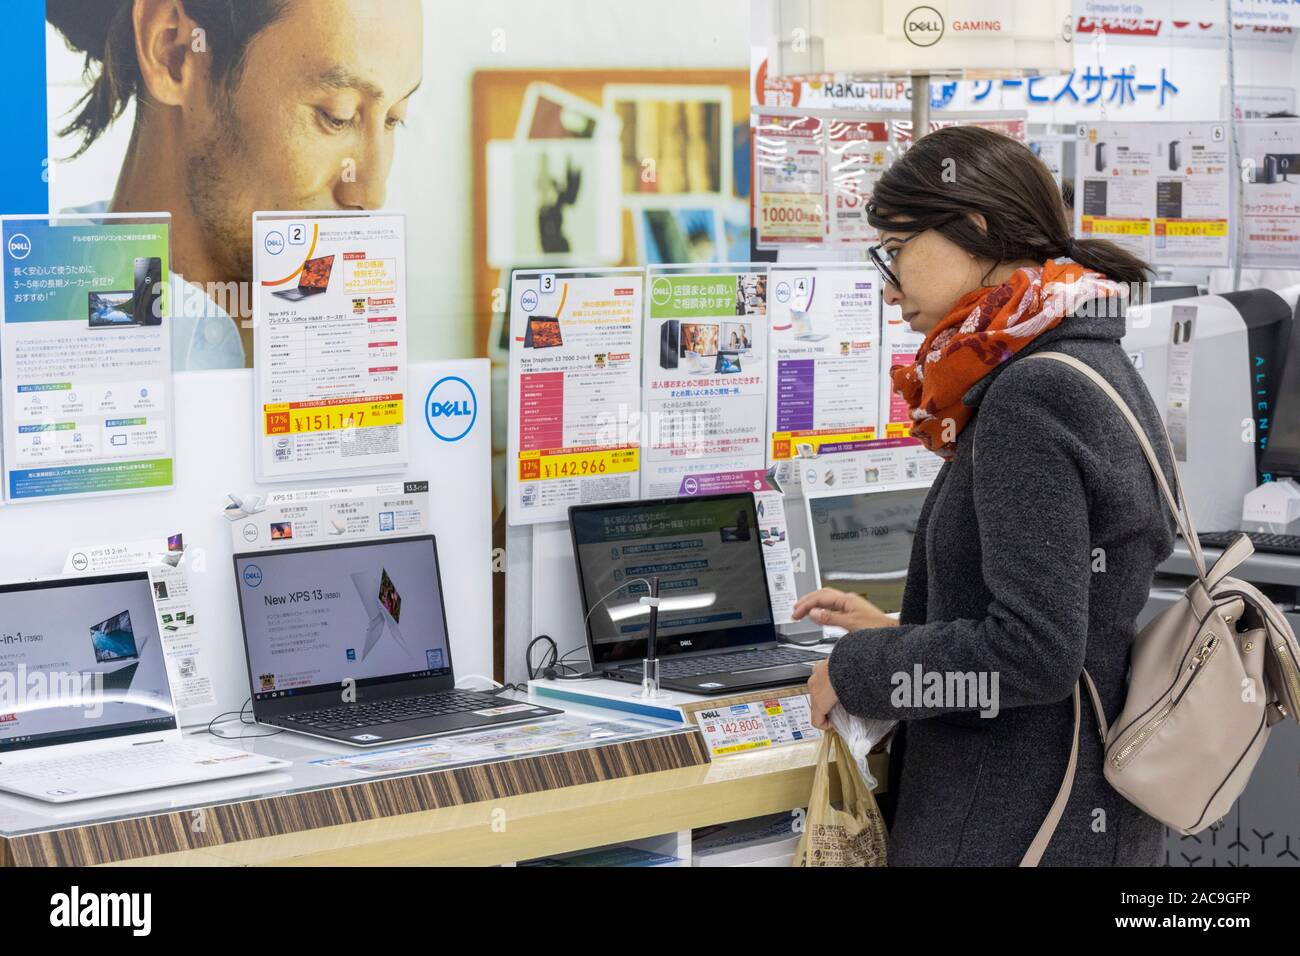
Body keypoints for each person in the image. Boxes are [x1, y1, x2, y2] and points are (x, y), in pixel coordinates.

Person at [793, 125, 1177, 866]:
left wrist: (858, 670)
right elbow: (1062, 608)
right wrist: (895, 630)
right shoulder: (1090, 359)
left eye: (896, 248)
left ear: (970, 227)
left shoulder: (1029, 393)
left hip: (1012, 819)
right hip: (1081, 810)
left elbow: (1033, 654)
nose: (888, 283)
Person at [46, 0, 423, 369]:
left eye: (394, 118)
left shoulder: (355, 351)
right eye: (336, 116)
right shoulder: (41, 326)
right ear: (173, 51)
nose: (372, 193)